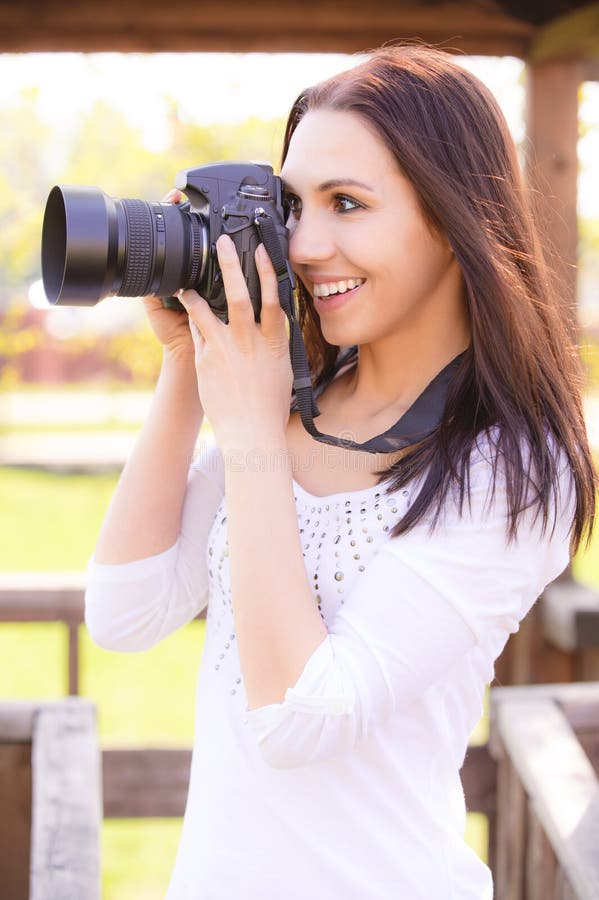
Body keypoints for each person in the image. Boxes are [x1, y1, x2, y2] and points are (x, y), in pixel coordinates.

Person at [84, 43, 596, 900]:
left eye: (347, 204)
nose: (307, 245)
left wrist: (248, 430)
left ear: (450, 216)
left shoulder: (512, 466)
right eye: (291, 206)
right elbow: (125, 612)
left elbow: (299, 717)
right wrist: (186, 366)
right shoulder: (295, 399)